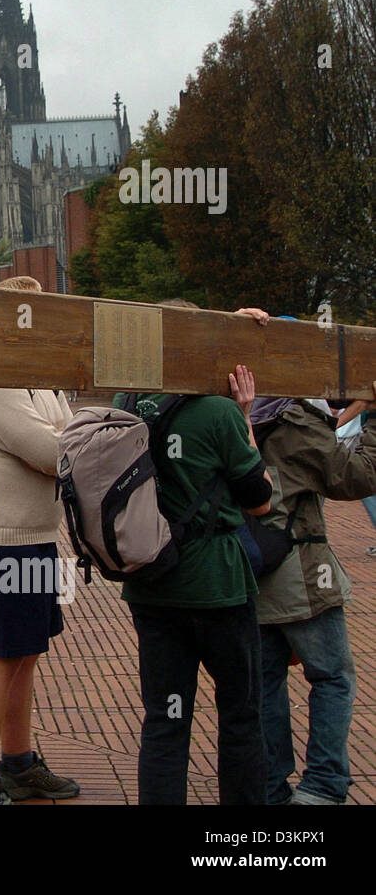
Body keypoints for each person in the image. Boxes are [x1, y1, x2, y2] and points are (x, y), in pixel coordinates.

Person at [120, 301, 274, 804]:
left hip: (152, 583)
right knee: (240, 716)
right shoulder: (219, 412)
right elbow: (261, 498)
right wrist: (245, 419)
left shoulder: (128, 402)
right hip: (218, 587)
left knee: (164, 722)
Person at [0, 276, 78, 804]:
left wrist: (65, 441)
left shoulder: (37, 381)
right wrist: (65, 441)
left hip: (36, 536)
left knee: (26, 652)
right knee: (1, 655)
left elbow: (70, 439)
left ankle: (19, 762)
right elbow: (59, 452)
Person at [250, 384, 376, 804]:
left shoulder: (237, 413)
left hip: (250, 568)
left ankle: (269, 785)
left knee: (266, 683)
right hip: (300, 571)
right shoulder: (294, 420)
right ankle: (323, 784)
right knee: (333, 678)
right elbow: (356, 476)